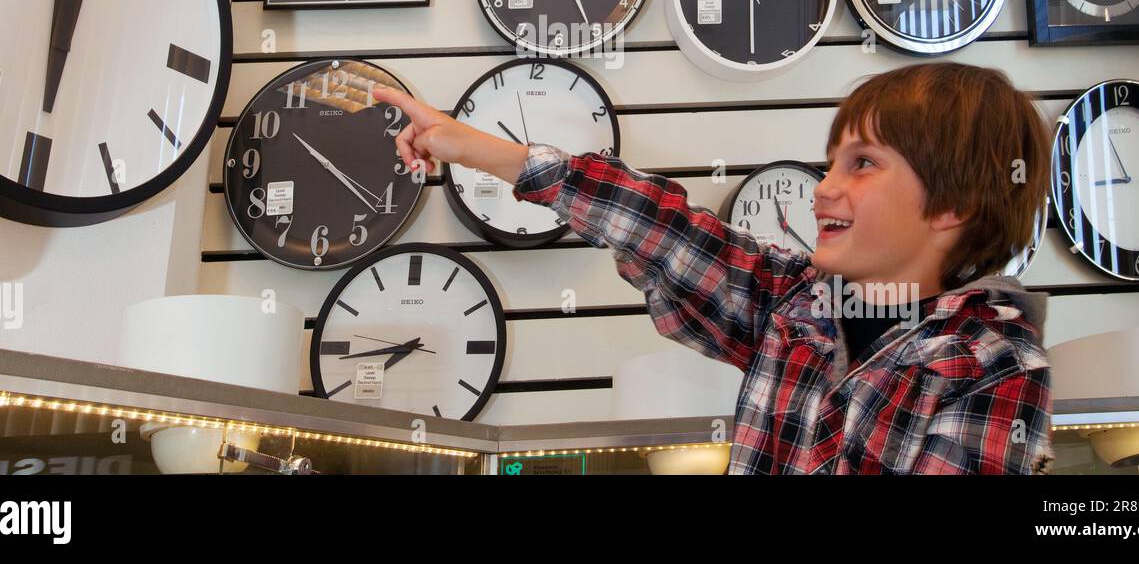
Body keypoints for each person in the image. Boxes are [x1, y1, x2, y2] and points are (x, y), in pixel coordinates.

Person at [372, 61, 1055, 475]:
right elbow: (664, 232)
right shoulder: (796, 303)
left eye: (863, 164)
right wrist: (481, 149)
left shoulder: (992, 364)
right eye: (830, 163)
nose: (823, 187)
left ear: (953, 205)